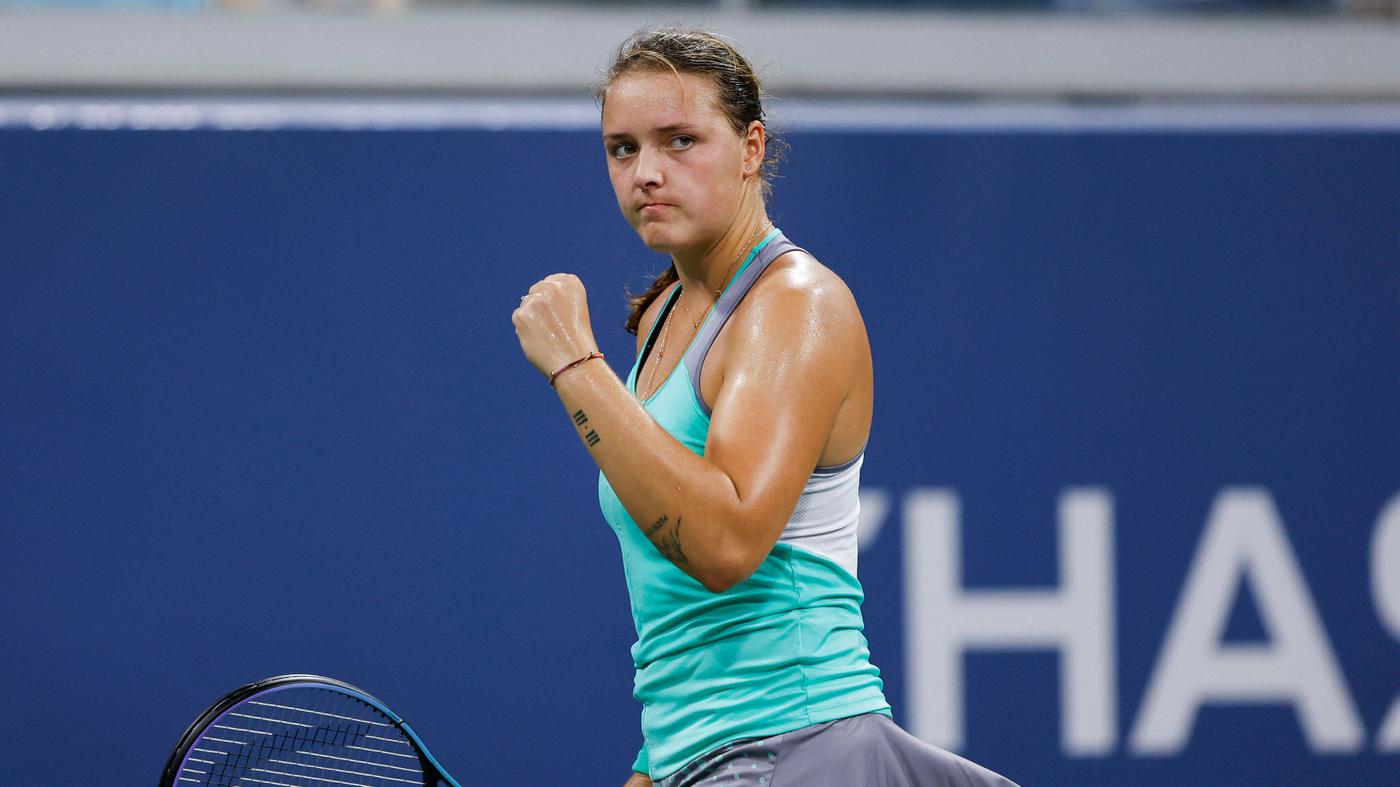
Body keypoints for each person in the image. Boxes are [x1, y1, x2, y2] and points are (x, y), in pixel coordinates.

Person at [511, 27, 1019, 787]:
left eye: (680, 140)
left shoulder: (796, 304)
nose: (646, 172)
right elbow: (677, 613)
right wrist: (655, 767)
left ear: (751, 148)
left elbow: (723, 543)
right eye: (622, 148)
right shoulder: (662, 317)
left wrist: (576, 367)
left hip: (802, 748)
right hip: (715, 761)